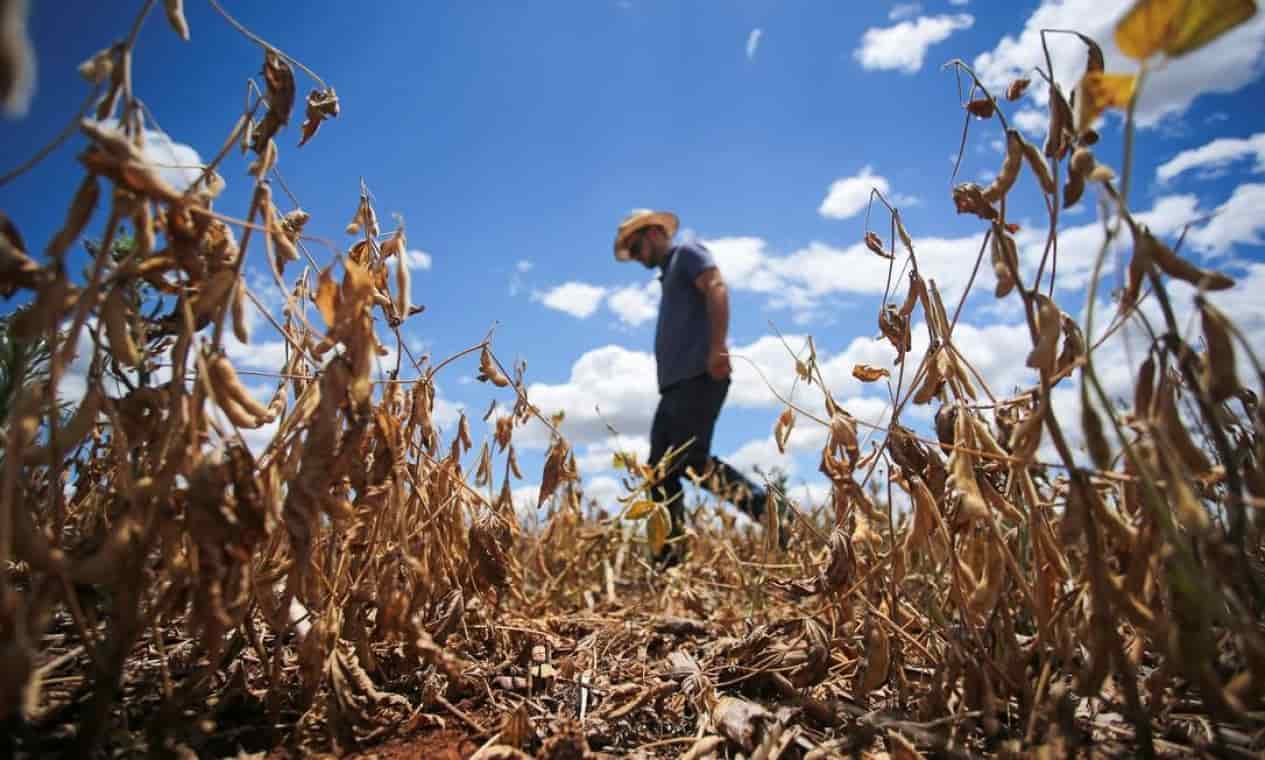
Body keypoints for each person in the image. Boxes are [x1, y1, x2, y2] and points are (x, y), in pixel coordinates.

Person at [613, 209, 786, 565]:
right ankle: (667, 557)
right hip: (673, 388)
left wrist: (718, 347)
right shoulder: (668, 276)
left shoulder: (687, 255)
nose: (637, 256)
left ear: (654, 233)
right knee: (659, 472)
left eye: (636, 246)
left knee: (689, 462)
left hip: (698, 377)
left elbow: (716, 286)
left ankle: (776, 517)